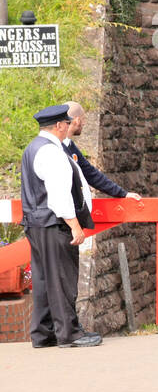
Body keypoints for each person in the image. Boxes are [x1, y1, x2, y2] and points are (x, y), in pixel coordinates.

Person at [21, 105, 101, 348]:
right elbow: (58, 195)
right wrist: (75, 226)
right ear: (58, 126)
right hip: (54, 224)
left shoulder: (34, 148)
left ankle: (43, 333)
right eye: (67, 123)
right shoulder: (52, 153)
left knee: (45, 280)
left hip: (37, 223)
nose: (69, 127)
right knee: (63, 280)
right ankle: (70, 333)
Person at [63, 102, 142, 202]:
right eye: (83, 119)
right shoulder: (56, 148)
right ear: (77, 120)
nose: (84, 123)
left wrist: (122, 193)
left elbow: (91, 174)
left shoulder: (70, 146)